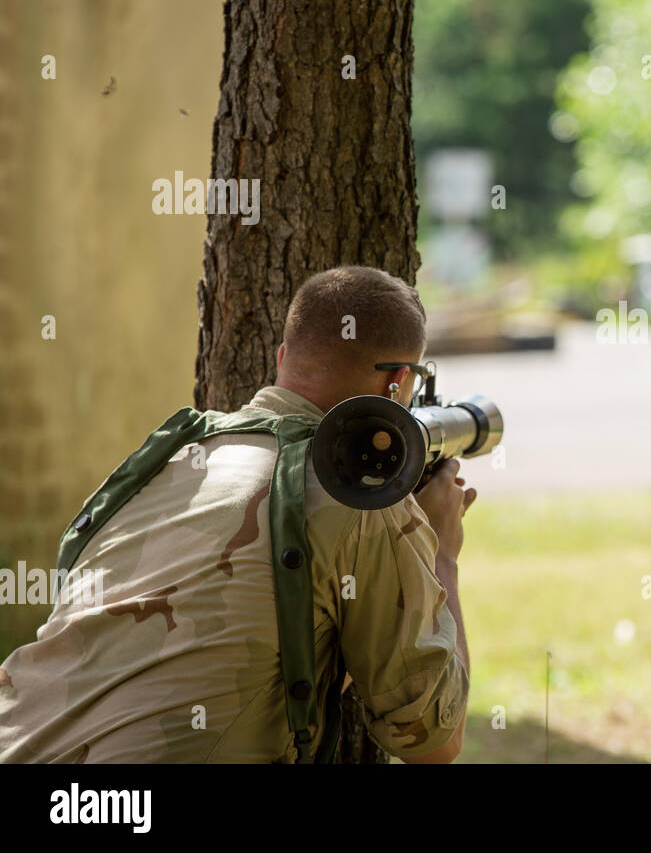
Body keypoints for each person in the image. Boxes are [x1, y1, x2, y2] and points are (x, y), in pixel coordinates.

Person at [0, 266, 473, 763]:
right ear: (399, 383)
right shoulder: (358, 497)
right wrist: (442, 554)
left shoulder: (168, 463)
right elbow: (435, 742)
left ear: (283, 356)